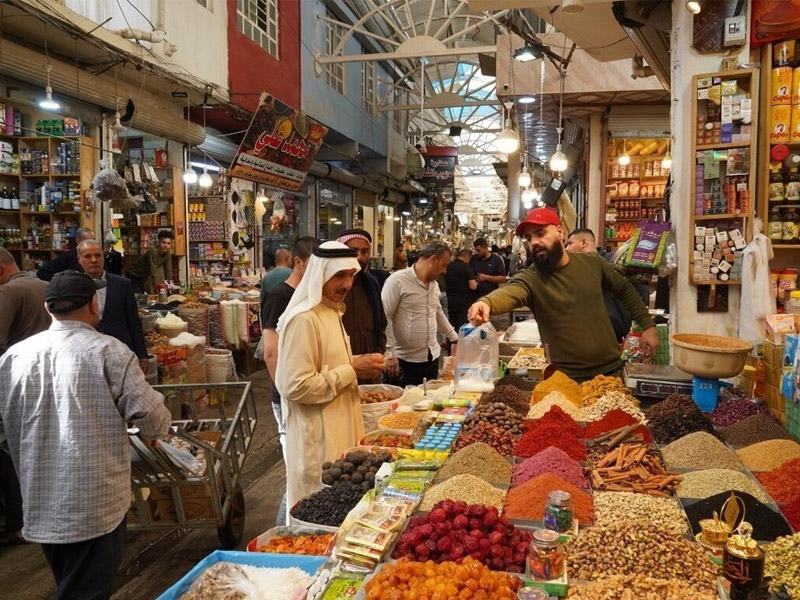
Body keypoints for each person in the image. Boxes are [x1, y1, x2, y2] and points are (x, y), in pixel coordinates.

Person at [0, 270, 171, 599]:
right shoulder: (109, 352)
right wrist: (157, 430)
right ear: (95, 305)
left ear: (49, 309)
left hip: (40, 501)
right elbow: (150, 415)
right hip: (95, 504)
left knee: (70, 581)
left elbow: (5, 433)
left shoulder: (13, 358)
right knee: (86, 591)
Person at [468, 208, 658, 381]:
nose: (534, 242)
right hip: (564, 379)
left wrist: (647, 324)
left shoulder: (592, 263)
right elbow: (512, 292)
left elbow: (624, 288)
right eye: (528, 237)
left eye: (540, 233)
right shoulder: (531, 277)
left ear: (560, 233)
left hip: (611, 372)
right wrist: (486, 303)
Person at [275, 242, 385, 510]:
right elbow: (294, 385)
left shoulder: (332, 311)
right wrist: (353, 370)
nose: (347, 284)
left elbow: (327, 365)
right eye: (339, 275)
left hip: (340, 434)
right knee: (317, 520)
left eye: (351, 275)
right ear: (320, 273)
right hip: (319, 442)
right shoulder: (304, 319)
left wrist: (355, 362)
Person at [0, 248, 50, 546]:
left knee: (8, 449)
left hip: (16, 384)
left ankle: (19, 522)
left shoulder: (8, 292)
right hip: (46, 382)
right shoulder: (44, 286)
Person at [261, 237, 318, 453]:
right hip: (288, 394)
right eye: (313, 264)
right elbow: (271, 353)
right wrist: (285, 391)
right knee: (293, 451)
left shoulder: (311, 295)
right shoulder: (278, 297)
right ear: (298, 262)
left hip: (306, 390)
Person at [382, 242, 459, 387]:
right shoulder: (397, 281)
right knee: (405, 405)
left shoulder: (434, 285)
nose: (445, 271)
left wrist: (454, 338)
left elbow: (437, 313)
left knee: (429, 402)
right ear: (433, 259)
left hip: (432, 357)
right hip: (405, 360)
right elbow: (385, 316)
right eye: (444, 265)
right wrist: (390, 353)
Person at [77, 240, 149, 371]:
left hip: (121, 350)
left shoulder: (123, 284)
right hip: (87, 352)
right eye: (88, 256)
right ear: (79, 259)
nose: (94, 260)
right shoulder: (73, 287)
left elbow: (134, 321)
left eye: (98, 255)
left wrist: (142, 354)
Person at [337, 229, 387, 383]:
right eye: (353, 251)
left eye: (364, 251)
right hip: (338, 369)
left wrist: (379, 352)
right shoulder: (329, 285)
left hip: (370, 367)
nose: (359, 256)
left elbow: (381, 322)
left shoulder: (371, 283)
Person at [565, 229, 632, 343]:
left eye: (570, 243)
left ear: (584, 243)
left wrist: (639, 323)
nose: (566, 249)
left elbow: (639, 288)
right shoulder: (577, 268)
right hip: (592, 336)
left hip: (618, 334)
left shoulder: (614, 261)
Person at [470, 238, 509, 330]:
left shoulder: (497, 260)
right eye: (476, 251)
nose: (478, 253)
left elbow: (503, 278)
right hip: (475, 298)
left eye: (479, 250)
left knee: (490, 326)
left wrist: (486, 277)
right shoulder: (474, 259)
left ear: (486, 248)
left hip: (491, 298)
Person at [126, 229, 173, 294]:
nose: (166, 245)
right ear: (159, 242)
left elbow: (168, 271)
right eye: (163, 242)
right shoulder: (153, 252)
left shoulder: (167, 253)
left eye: (168, 243)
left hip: (144, 275)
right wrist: (158, 291)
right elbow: (153, 272)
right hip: (134, 274)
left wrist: (170, 289)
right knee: (139, 298)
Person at [444, 248, 478, 332]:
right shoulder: (466, 267)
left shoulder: (448, 266)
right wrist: (477, 283)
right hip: (464, 302)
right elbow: (472, 286)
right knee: (463, 328)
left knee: (452, 326)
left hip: (451, 301)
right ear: (467, 258)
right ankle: (462, 344)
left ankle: (451, 343)